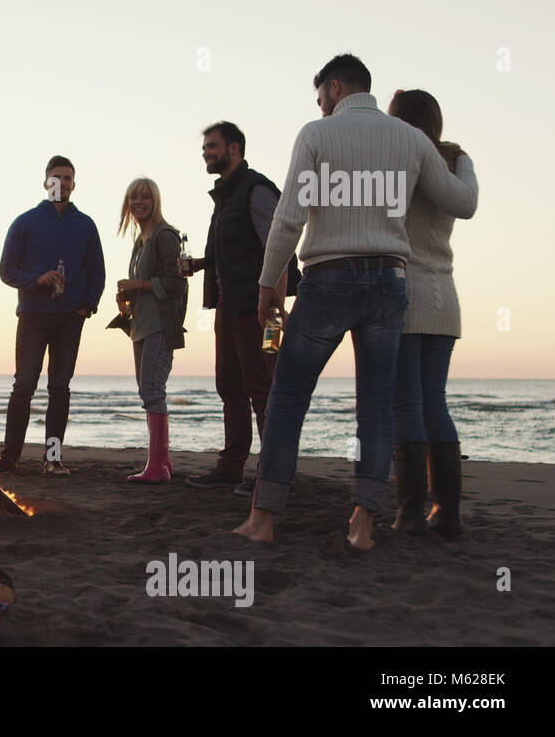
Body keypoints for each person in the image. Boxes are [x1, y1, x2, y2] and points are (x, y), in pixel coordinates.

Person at [232, 54, 478, 549]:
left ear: (337, 88)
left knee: (287, 400)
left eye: (321, 95)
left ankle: (262, 520)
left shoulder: (316, 135)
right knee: (376, 407)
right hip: (390, 280)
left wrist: (268, 281)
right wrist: (460, 161)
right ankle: (362, 524)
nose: (320, 105)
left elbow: (288, 216)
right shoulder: (410, 139)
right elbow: (459, 202)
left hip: (329, 278)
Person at [184, 122, 298, 495]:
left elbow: (278, 248)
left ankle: (271, 471)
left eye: (212, 146)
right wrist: (202, 264)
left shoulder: (256, 189)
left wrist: (274, 310)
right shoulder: (226, 197)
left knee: (264, 387)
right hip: (228, 308)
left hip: (261, 310)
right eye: (204, 148)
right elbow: (235, 249)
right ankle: (231, 467)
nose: (206, 153)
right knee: (229, 387)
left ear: (235, 148)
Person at [387, 89, 473, 539]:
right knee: (433, 399)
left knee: (406, 400)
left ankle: (409, 514)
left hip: (405, 292)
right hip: (445, 295)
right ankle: (448, 513)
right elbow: (468, 202)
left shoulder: (397, 162)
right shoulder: (456, 161)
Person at [0, 156, 106, 476]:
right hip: (33, 316)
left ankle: (52, 459)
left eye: (67, 178)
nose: (62, 183)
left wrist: (87, 307)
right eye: (56, 177)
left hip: (70, 319)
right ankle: (9, 457)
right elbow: (6, 270)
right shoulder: (25, 222)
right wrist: (35, 280)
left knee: (60, 388)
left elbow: (97, 273)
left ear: (74, 184)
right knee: (24, 385)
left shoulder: (85, 225)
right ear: (45, 182)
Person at [110, 178, 188, 483]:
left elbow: (177, 282)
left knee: (152, 391)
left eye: (144, 196)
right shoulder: (141, 240)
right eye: (133, 197)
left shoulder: (165, 236)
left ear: (155, 200)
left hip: (160, 326)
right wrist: (126, 296)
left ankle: (156, 467)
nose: (138, 202)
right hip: (140, 326)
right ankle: (163, 463)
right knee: (149, 392)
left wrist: (139, 285)